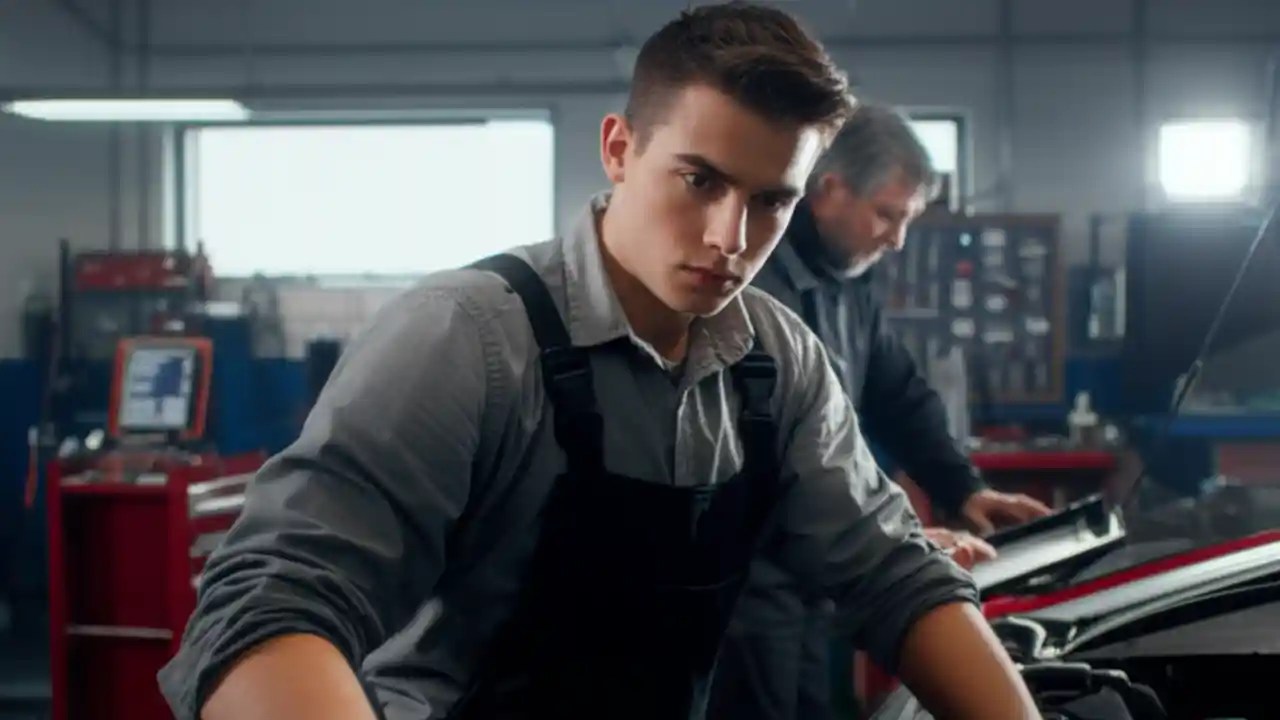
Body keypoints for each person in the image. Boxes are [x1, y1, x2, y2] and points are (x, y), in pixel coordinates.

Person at [157, 5, 1041, 720]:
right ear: (620, 150)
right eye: (700, 181)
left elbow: (891, 574)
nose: (730, 240)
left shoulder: (778, 361)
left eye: (771, 202)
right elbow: (271, 602)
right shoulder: (465, 339)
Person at [710, 104, 1052, 720]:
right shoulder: (756, 290)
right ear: (829, 189)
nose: (896, 239)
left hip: (820, 577)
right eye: (887, 216)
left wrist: (963, 489)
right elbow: (773, 454)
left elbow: (898, 391)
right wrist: (891, 534)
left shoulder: (851, 278)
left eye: (907, 220)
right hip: (747, 591)